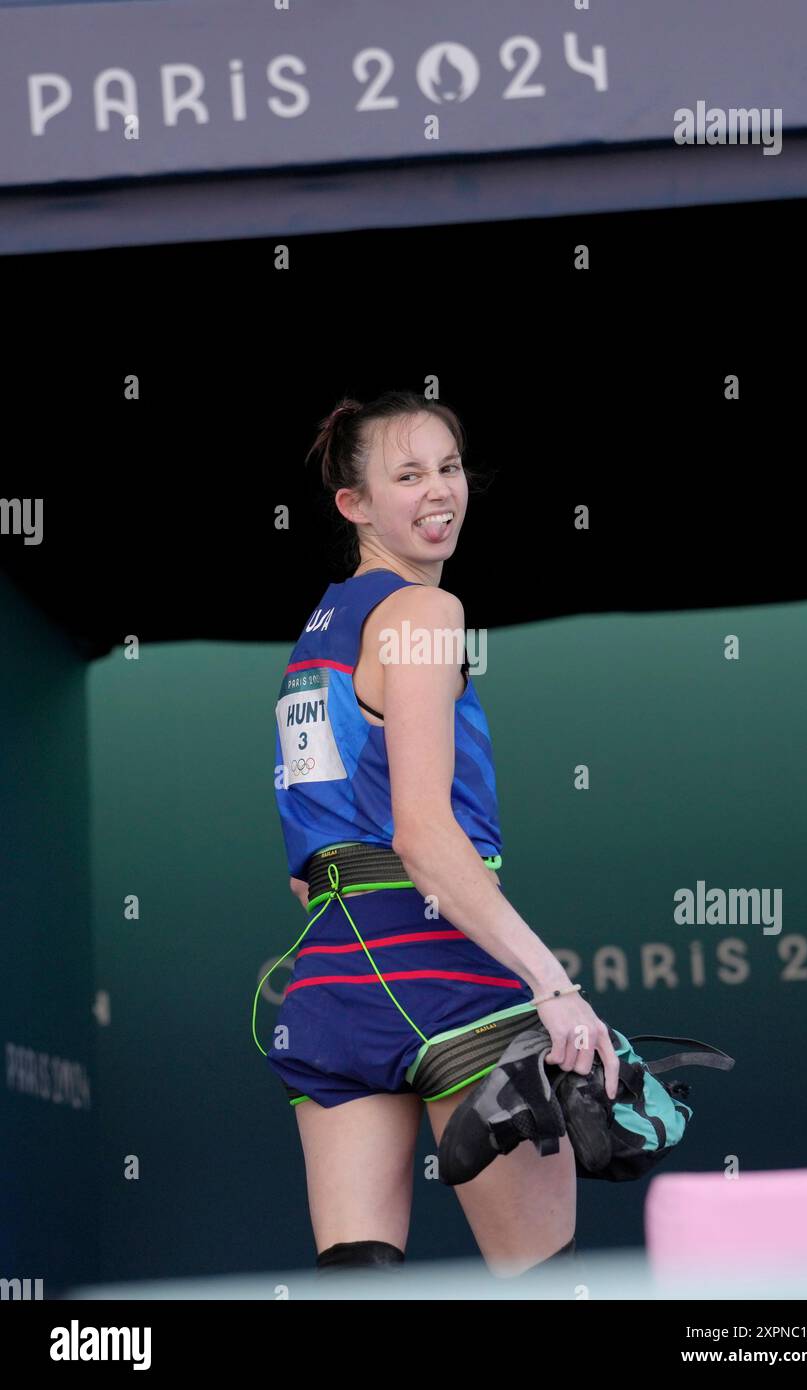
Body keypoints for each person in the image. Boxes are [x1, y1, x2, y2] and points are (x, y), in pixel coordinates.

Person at [264, 389, 619, 1280]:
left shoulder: (315, 643)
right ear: (354, 505)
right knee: (548, 1283)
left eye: (450, 468)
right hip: (443, 972)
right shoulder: (426, 614)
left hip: (333, 984)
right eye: (408, 474)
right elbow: (424, 834)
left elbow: (309, 876)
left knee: (359, 1282)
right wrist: (554, 986)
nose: (439, 492)